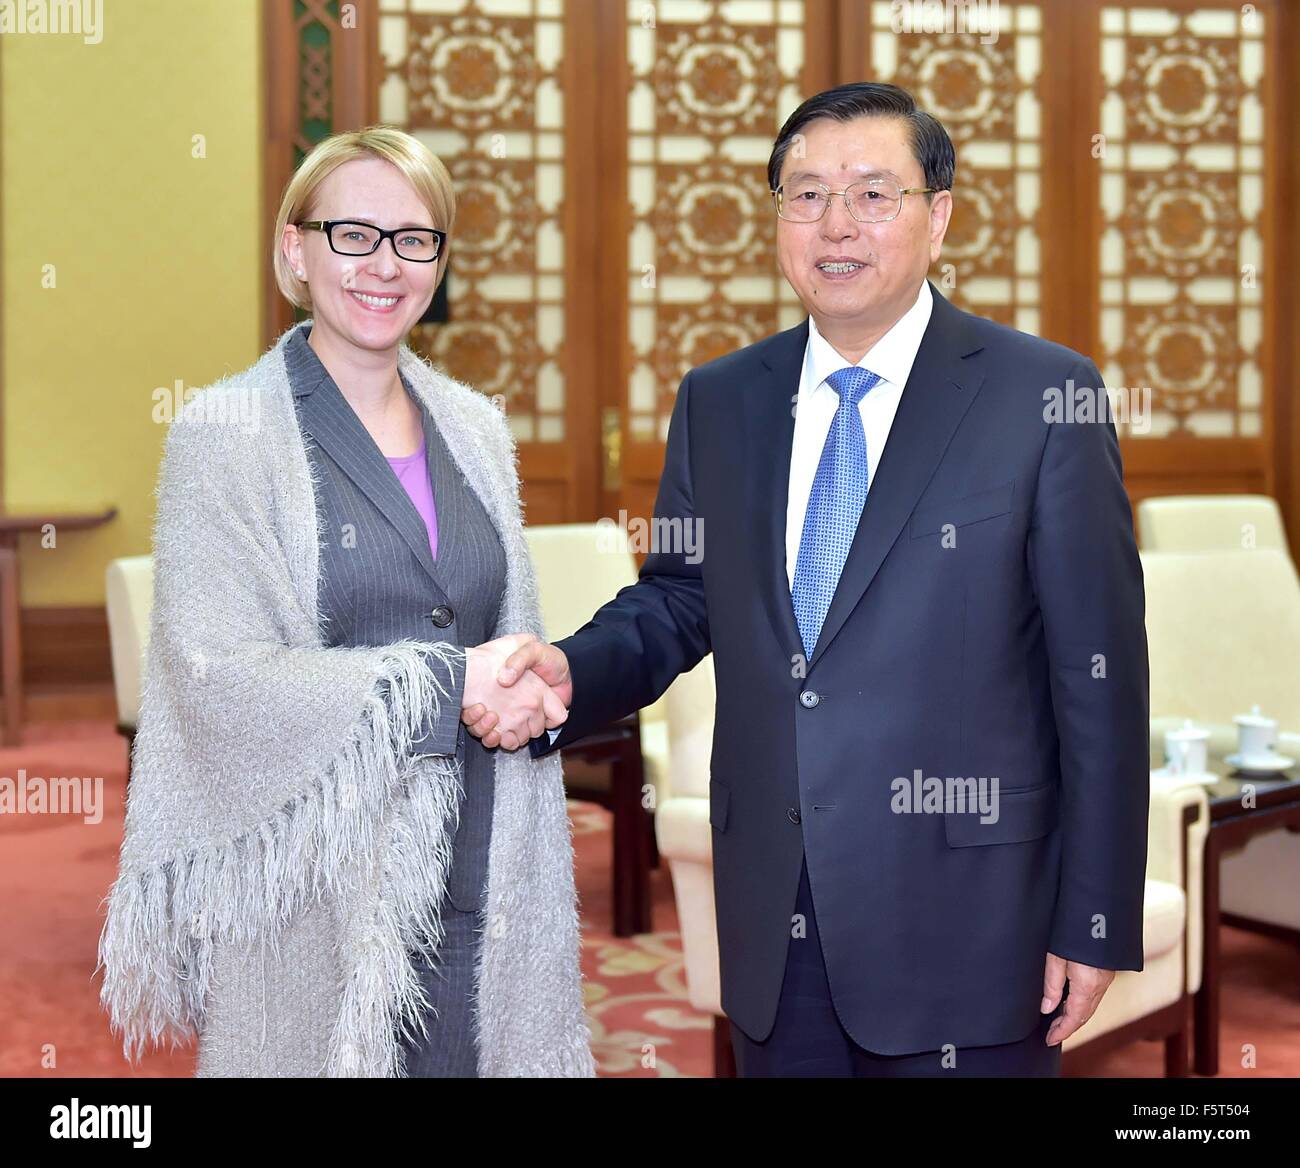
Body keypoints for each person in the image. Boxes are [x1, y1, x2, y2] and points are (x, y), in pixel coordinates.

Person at [465, 83, 1150, 1077]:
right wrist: (573, 670)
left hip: (973, 925)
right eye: (805, 195)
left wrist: (1092, 913)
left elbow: (1100, 677)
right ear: (777, 216)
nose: (837, 225)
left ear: (938, 214)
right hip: (774, 915)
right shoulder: (720, 399)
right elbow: (680, 597)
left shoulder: (1043, 396)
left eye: (875, 193)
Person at [97, 126, 593, 1078]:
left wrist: (524, 681)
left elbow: (504, 623)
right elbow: (216, 678)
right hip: (323, 871)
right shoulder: (224, 435)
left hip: (488, 840)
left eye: (415, 239)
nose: (385, 265)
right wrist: (448, 681)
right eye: (352, 234)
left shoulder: (477, 428)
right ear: (295, 248)